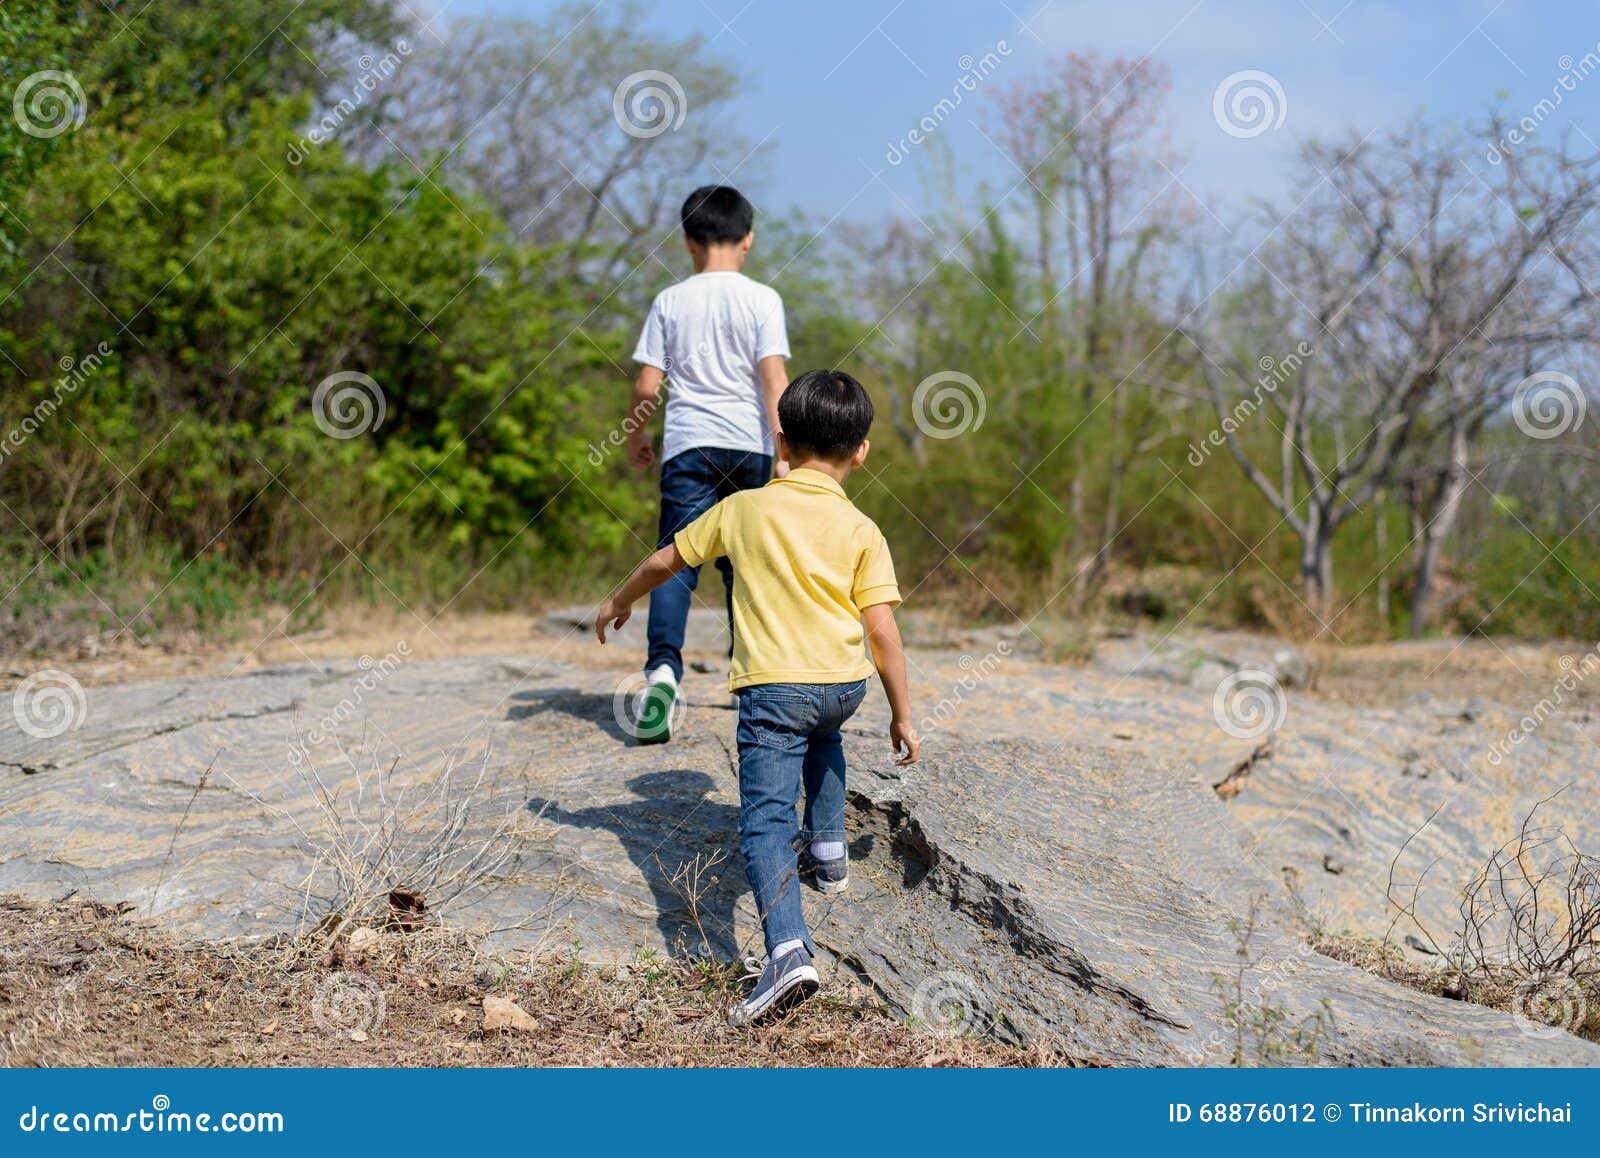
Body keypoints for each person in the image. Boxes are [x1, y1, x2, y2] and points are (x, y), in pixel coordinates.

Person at [595, 369, 921, 1027]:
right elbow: (882, 629)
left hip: (774, 691)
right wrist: (903, 713)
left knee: (767, 819)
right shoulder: (863, 528)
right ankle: (829, 852)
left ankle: (788, 953)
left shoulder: (743, 508)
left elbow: (667, 562)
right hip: (843, 686)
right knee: (824, 737)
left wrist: (620, 600)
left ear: (780, 437)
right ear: (862, 451)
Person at [624, 184, 790, 743]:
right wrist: (784, 452)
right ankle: (753, 681)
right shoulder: (763, 299)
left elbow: (649, 383)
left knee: (676, 559)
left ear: (688, 241)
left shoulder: (671, 301)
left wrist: (636, 436)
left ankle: (663, 677)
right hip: (750, 446)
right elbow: (774, 381)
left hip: (690, 444)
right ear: (747, 240)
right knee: (744, 563)